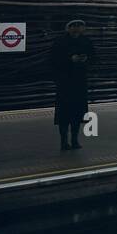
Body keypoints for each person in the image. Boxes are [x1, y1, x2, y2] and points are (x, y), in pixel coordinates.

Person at [50, 19, 94, 151]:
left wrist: (86, 60)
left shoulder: (86, 42)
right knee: (64, 114)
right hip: (65, 82)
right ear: (68, 28)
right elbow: (53, 60)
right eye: (73, 26)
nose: (76, 28)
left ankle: (74, 140)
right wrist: (69, 59)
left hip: (79, 82)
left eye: (79, 26)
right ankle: (64, 141)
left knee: (77, 113)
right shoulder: (60, 42)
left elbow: (95, 57)